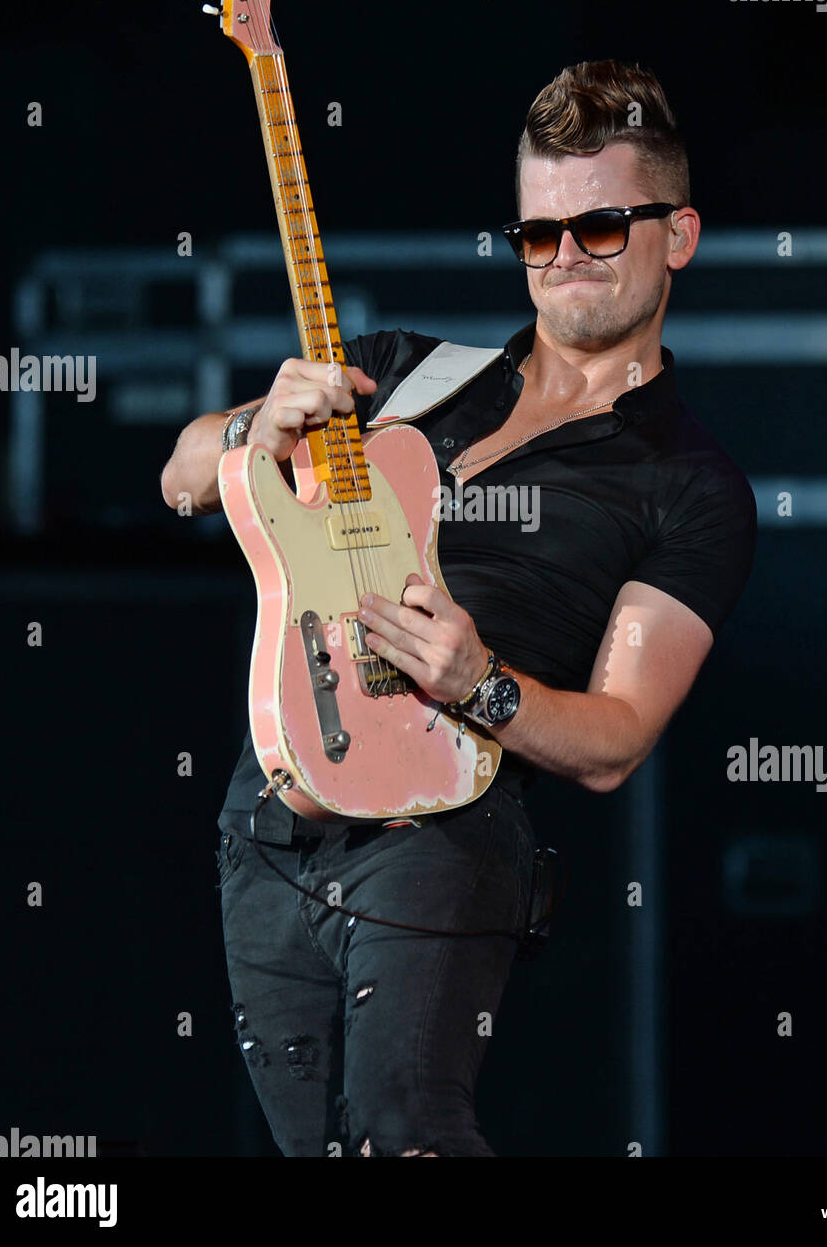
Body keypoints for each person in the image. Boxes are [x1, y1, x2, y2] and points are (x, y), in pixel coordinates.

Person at [160, 58, 757, 1157]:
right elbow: (183, 474)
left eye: (602, 226)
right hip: (272, 812)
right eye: (540, 234)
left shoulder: (689, 483)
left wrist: (474, 680)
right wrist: (257, 427)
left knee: (404, 1130)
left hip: (443, 819)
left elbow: (616, 738)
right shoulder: (402, 375)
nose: (566, 258)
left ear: (677, 234)